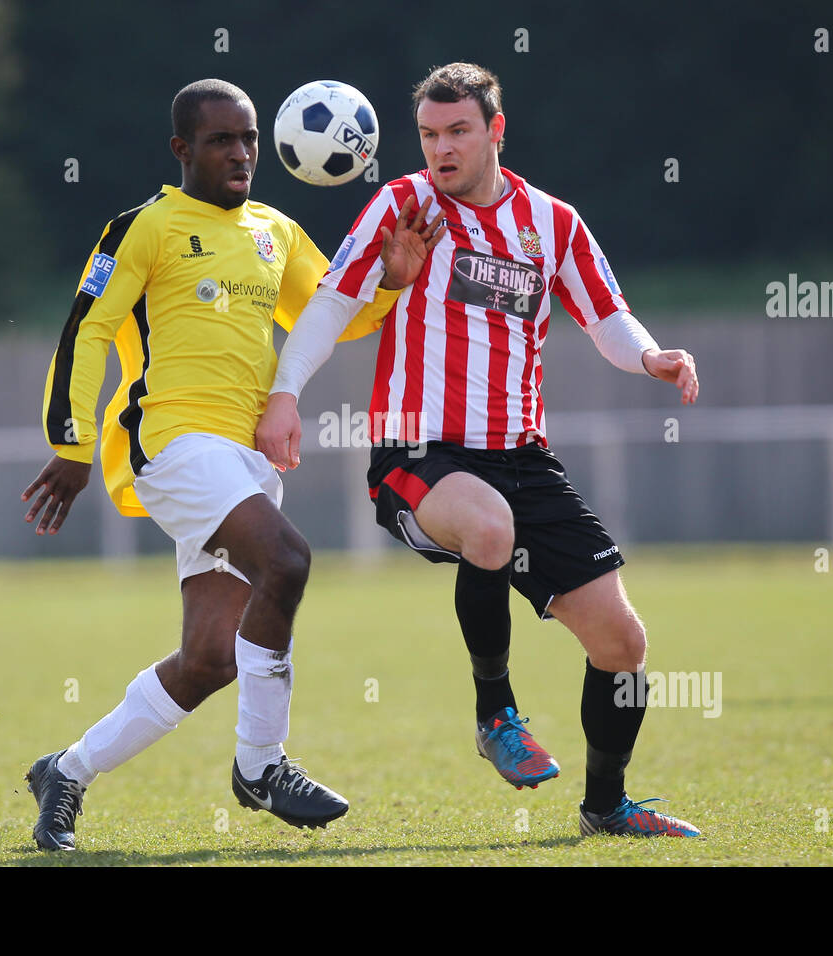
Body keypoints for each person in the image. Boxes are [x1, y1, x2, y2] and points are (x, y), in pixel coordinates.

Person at [256, 63, 702, 837]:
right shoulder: (402, 206)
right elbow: (332, 304)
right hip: (416, 455)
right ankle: (495, 713)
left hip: (524, 460)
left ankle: (606, 806)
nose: (441, 149)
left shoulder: (553, 223)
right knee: (489, 526)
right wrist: (286, 392)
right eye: (429, 134)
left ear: (496, 131)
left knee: (624, 645)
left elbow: (606, 317)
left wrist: (652, 355)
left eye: (458, 131)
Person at [19, 78, 393, 849]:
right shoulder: (143, 227)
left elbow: (333, 316)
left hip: (247, 462)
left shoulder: (276, 231)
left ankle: (67, 770)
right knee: (287, 560)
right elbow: (87, 329)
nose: (242, 153)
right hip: (175, 442)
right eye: (222, 139)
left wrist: (391, 278)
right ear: (181, 150)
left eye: (250, 138)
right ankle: (262, 765)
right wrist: (70, 445)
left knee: (210, 659)